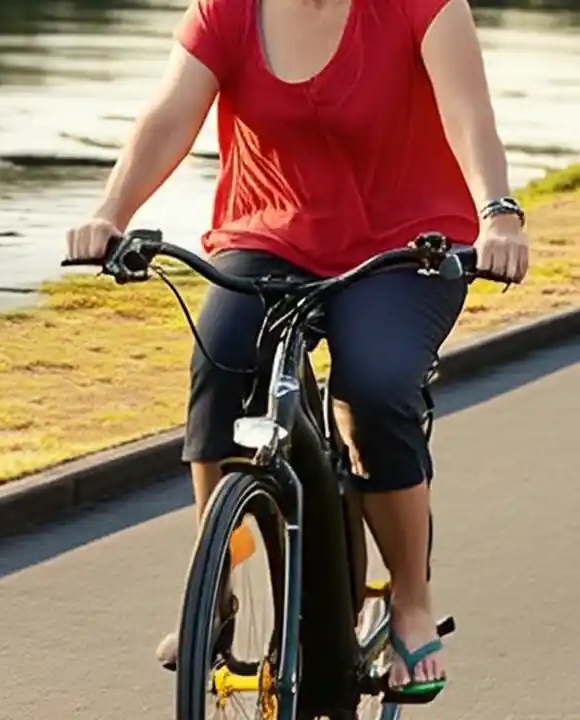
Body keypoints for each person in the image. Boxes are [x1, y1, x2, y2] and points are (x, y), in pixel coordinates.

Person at [65, 0, 528, 698]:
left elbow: (469, 116)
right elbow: (169, 116)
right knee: (219, 359)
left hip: (408, 245)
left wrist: (497, 211)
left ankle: (409, 599)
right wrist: (111, 212)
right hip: (271, 236)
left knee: (373, 388)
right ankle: (212, 589)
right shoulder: (229, 10)